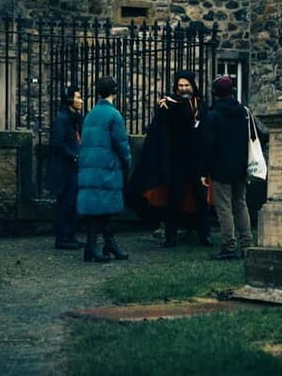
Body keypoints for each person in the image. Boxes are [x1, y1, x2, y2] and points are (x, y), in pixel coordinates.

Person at [129, 71, 212, 248]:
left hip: (197, 160)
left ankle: (204, 235)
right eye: (180, 86)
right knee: (175, 199)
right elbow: (162, 130)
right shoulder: (169, 105)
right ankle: (171, 237)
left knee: (200, 199)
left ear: (192, 86)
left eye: (186, 85)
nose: (183, 89)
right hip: (177, 160)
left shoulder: (200, 105)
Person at [202, 76, 267, 260]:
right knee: (240, 204)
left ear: (215, 93)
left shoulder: (212, 115)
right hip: (241, 165)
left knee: (224, 207)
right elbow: (259, 135)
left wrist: (204, 170)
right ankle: (247, 242)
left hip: (220, 166)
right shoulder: (244, 112)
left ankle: (229, 245)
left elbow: (208, 145)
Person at [77, 76, 133, 263]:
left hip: (90, 167)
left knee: (97, 209)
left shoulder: (90, 114)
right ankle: (101, 246)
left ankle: (97, 246)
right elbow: (121, 144)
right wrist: (128, 163)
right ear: (114, 91)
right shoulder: (114, 115)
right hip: (107, 168)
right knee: (106, 209)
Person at [45, 85, 84, 250]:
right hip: (65, 169)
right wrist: (73, 156)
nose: (81, 101)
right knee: (65, 204)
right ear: (69, 100)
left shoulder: (75, 118)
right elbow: (57, 142)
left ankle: (70, 236)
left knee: (72, 203)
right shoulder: (62, 118)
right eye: (78, 97)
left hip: (73, 167)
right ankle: (63, 238)